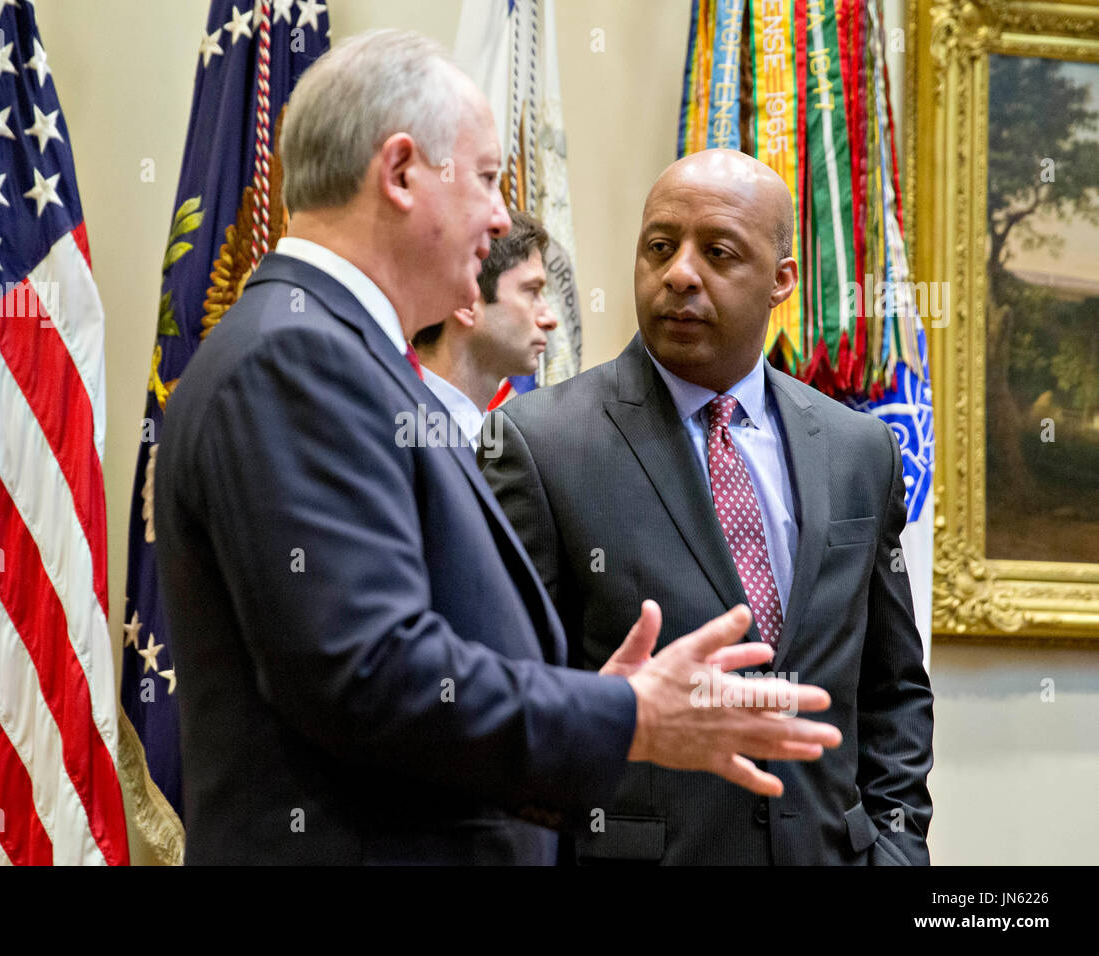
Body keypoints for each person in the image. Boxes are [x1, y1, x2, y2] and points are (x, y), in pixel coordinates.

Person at [153, 32, 842, 866]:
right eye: (484, 178)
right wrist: (627, 717)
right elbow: (368, 673)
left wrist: (601, 700)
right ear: (403, 173)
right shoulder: (296, 358)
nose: (502, 217)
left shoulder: (341, 354)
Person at [481, 148, 935, 865]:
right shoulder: (539, 445)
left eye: (717, 252)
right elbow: (502, 699)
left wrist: (898, 848)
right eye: (659, 247)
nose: (679, 273)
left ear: (782, 280)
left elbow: (894, 687)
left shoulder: (860, 451)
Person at [411, 208, 557, 449]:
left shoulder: (496, 440)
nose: (550, 319)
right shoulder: (396, 429)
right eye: (532, 291)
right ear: (465, 301)